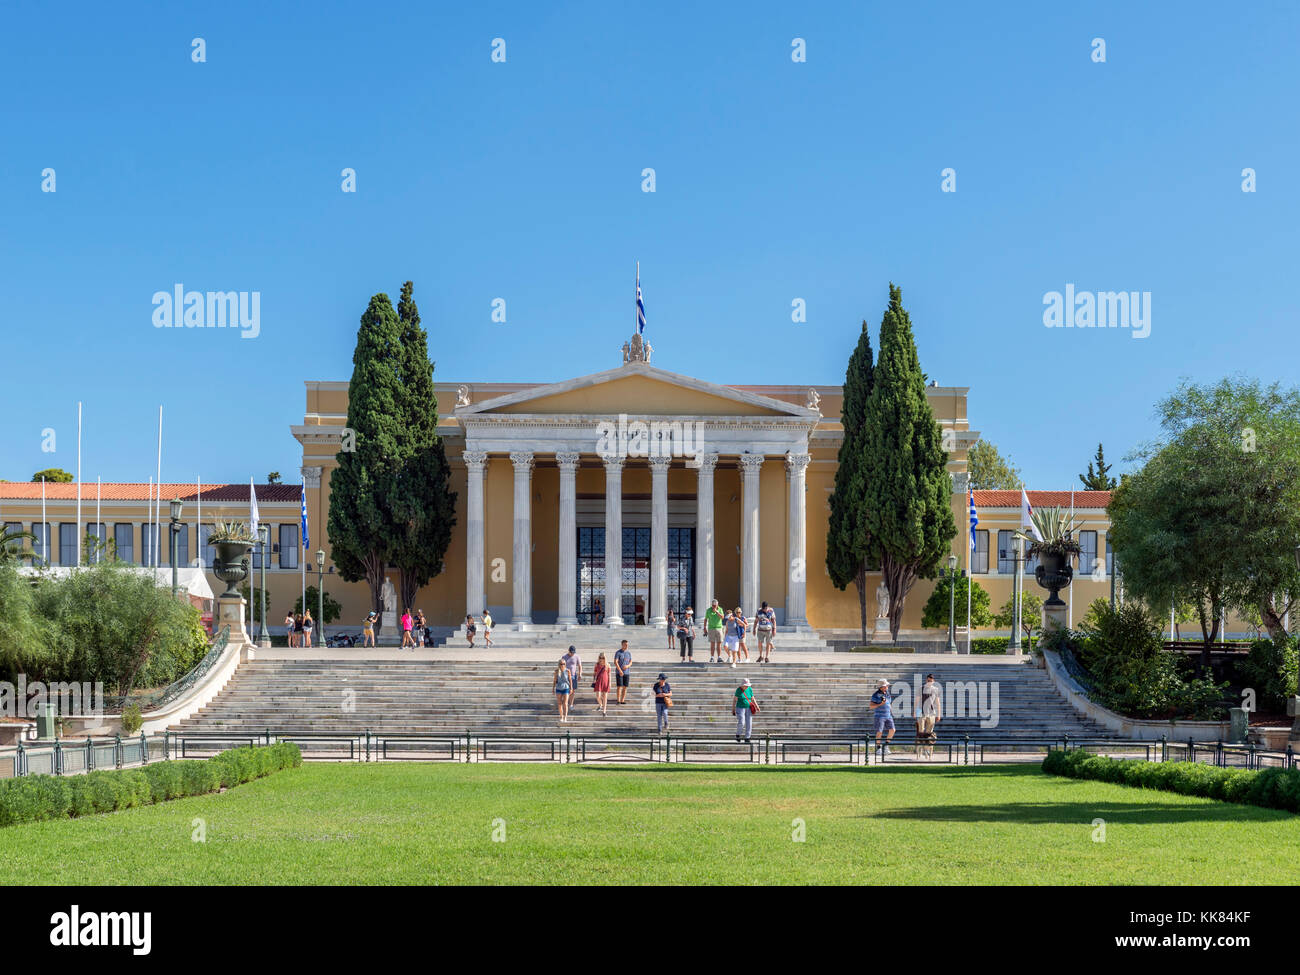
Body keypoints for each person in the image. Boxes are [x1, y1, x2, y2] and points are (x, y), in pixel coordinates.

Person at [917, 673, 942, 760]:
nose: (929, 682)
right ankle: (921, 750)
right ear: (926, 680)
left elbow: (938, 703)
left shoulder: (935, 689)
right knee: (921, 732)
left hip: (931, 713)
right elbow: (917, 701)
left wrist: (938, 714)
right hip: (922, 713)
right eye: (928, 681)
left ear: (933, 681)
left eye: (931, 681)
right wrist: (915, 712)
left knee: (929, 733)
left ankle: (926, 750)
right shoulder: (921, 688)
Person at [870, 678, 897, 757]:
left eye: (887, 686)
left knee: (893, 730)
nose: (887, 687)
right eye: (886, 686)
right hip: (879, 716)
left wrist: (891, 712)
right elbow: (871, 706)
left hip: (888, 715)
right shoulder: (875, 695)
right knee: (879, 732)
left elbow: (889, 703)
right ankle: (878, 748)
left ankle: (886, 746)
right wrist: (880, 704)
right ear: (881, 687)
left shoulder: (887, 693)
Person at [733, 677, 757, 743]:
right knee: (742, 722)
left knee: (749, 723)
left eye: (747, 685)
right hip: (740, 707)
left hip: (748, 707)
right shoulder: (738, 690)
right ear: (742, 685)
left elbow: (752, 698)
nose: (747, 687)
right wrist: (733, 709)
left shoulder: (749, 689)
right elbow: (735, 700)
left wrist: (757, 706)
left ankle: (747, 737)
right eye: (746, 686)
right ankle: (738, 734)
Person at [562, 645, 582, 715]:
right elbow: (561, 666)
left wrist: (580, 674)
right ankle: (565, 703)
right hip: (565, 676)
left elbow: (579, 666)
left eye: (573, 652)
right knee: (565, 690)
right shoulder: (564, 657)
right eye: (571, 652)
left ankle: (571, 704)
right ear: (569, 651)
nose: (572, 653)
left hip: (573, 676)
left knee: (572, 690)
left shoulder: (577, 656)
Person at [705, 599, 725, 664]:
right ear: (711, 605)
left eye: (715, 605)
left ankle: (719, 657)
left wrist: (717, 611)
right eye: (713, 605)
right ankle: (712, 657)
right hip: (711, 628)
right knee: (712, 644)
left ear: (717, 605)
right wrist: (704, 628)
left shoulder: (720, 609)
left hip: (719, 628)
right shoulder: (708, 610)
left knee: (719, 643)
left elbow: (722, 617)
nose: (714, 607)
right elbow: (705, 619)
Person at [613, 639, 632, 705]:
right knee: (619, 686)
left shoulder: (628, 653)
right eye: (625, 645)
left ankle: (622, 700)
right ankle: (618, 700)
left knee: (625, 687)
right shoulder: (618, 652)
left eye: (627, 645)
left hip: (627, 672)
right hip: (619, 672)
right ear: (622, 645)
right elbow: (615, 662)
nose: (626, 646)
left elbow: (631, 661)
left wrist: (627, 666)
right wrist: (620, 670)